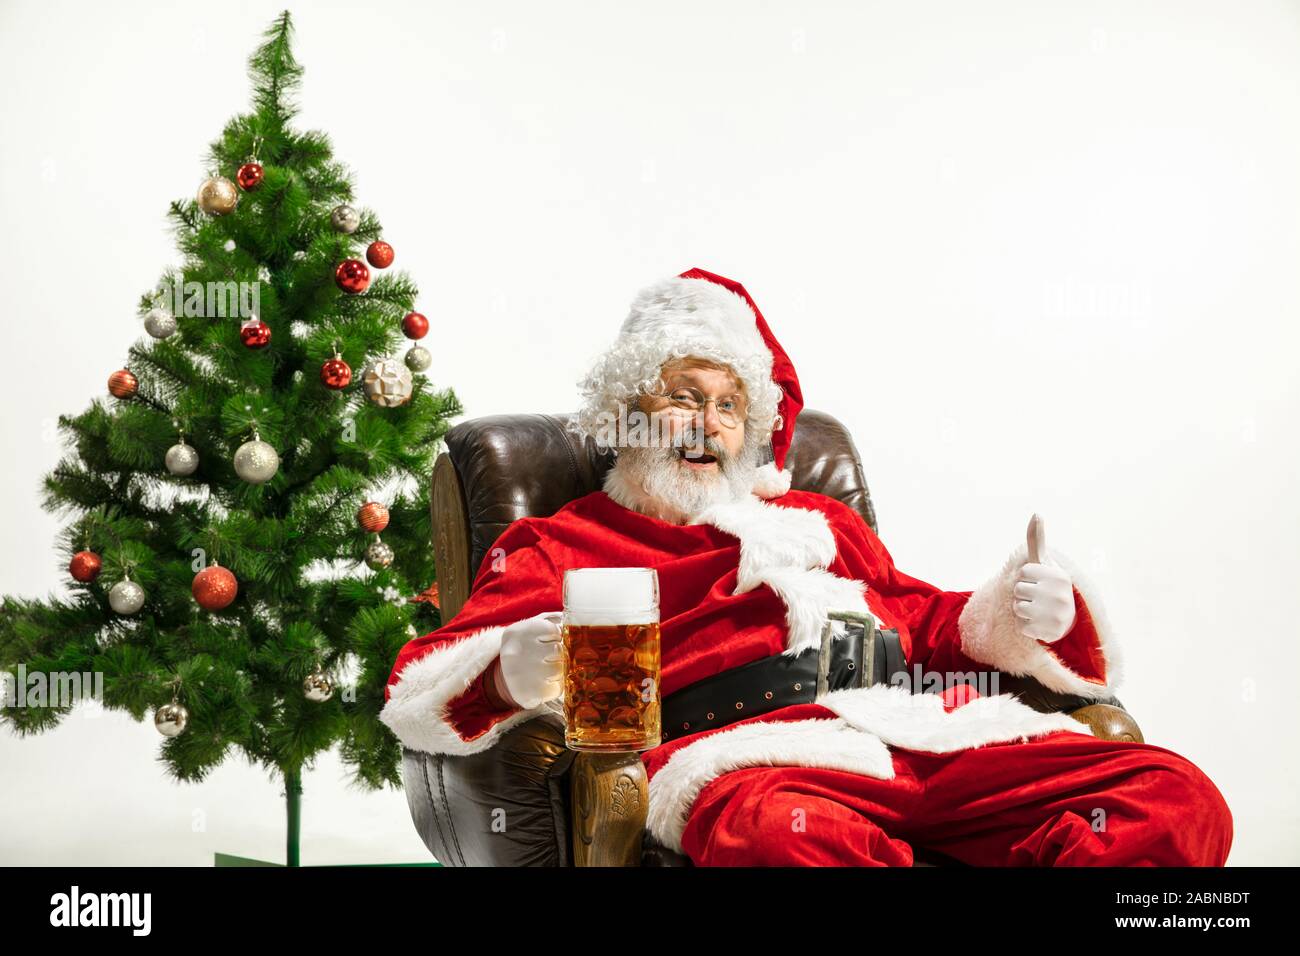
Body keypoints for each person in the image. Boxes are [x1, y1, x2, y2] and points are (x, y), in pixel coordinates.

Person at [380, 267, 1233, 866]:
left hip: (920, 734)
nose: (706, 424)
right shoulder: (567, 543)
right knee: (789, 842)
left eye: (727, 405)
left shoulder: (815, 521)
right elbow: (421, 685)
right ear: (626, 409)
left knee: (1173, 798)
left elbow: (926, 622)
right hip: (753, 768)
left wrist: (1026, 617)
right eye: (682, 396)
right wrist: (506, 672)